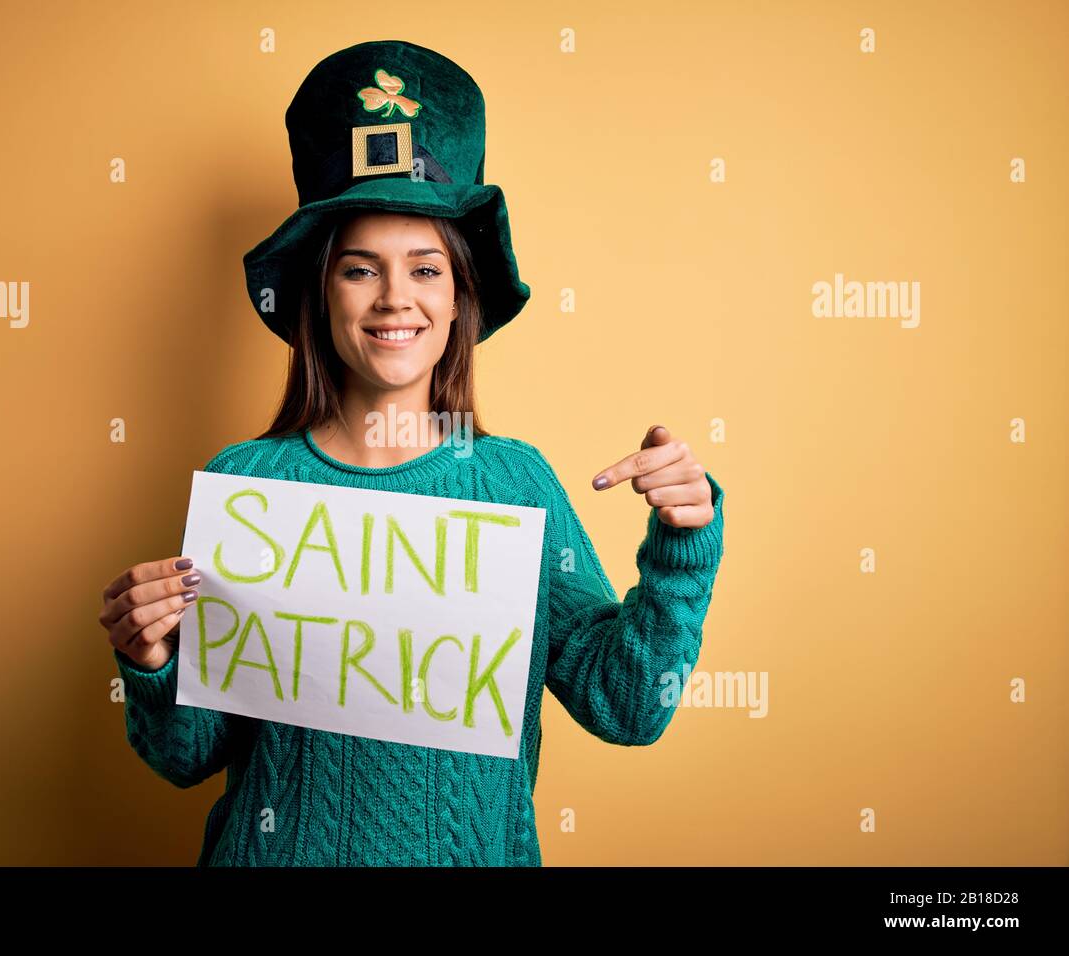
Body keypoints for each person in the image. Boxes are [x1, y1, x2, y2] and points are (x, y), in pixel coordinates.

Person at [97, 39, 725, 866]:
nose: (396, 298)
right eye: (361, 270)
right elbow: (186, 754)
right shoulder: (246, 482)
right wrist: (147, 658)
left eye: (425, 268)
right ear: (321, 292)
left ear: (460, 293)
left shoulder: (515, 484)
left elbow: (629, 705)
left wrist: (684, 544)